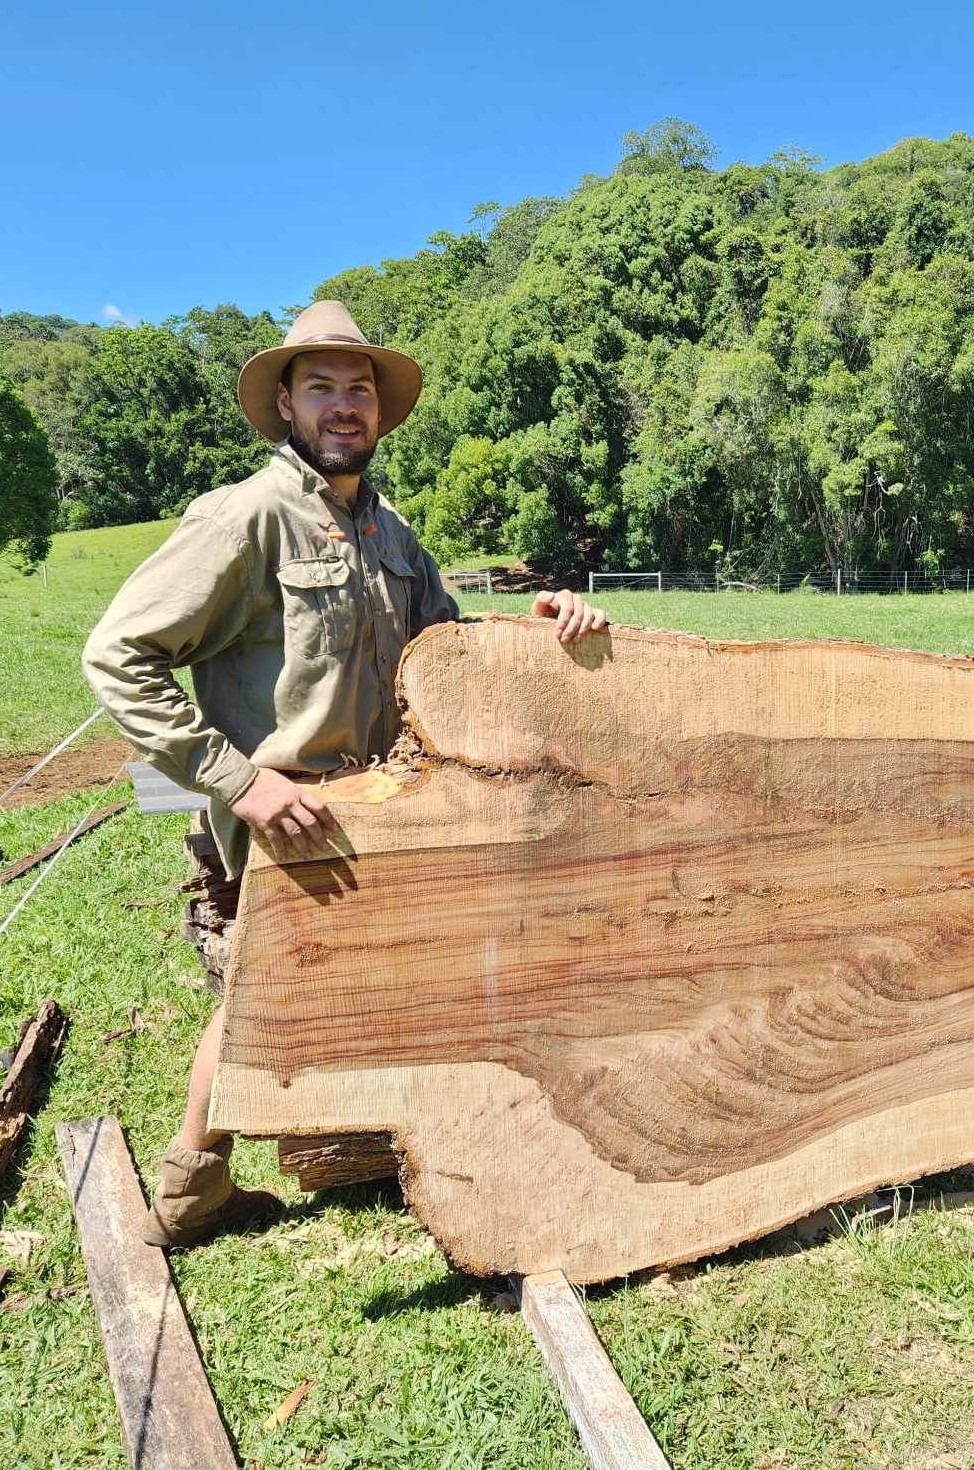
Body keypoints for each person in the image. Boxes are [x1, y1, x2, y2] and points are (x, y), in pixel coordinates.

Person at [83, 300, 607, 1246]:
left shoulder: (389, 531)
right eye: (320, 386)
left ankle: (409, 1142)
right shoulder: (247, 518)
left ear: (378, 411)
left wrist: (540, 633)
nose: (343, 405)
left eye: (357, 388)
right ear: (285, 404)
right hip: (292, 810)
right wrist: (238, 782)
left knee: (390, 974)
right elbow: (119, 656)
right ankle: (189, 1185)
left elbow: (445, 646)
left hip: (390, 801)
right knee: (266, 990)